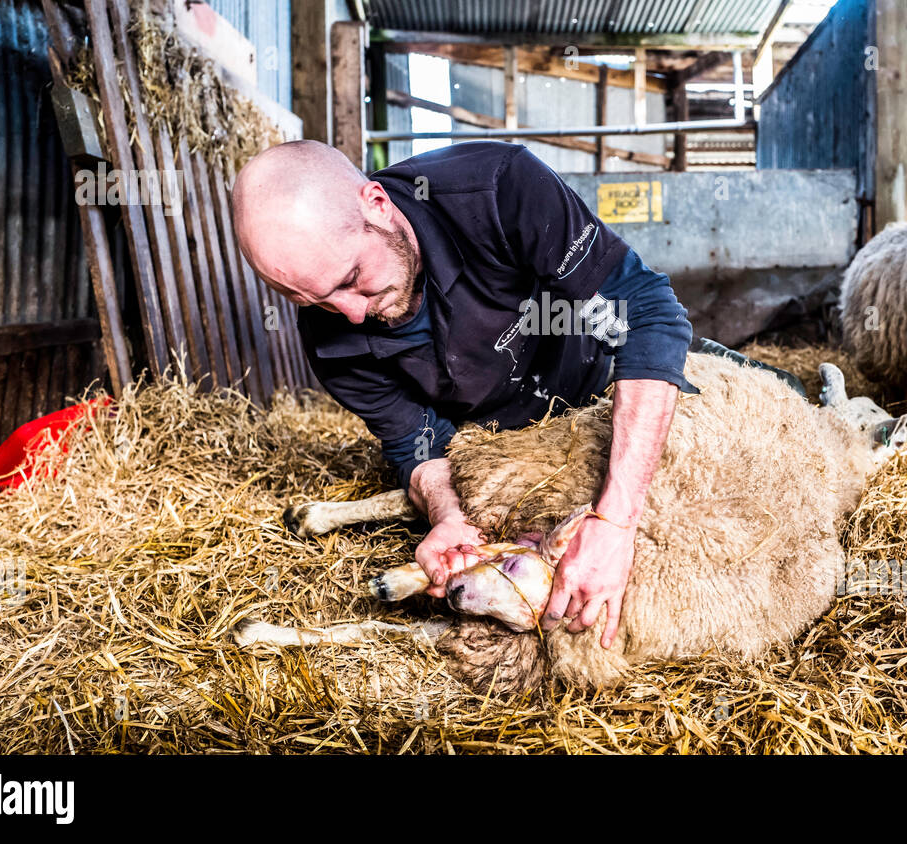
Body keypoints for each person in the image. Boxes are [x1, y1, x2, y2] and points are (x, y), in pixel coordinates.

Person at [231, 140, 699, 648]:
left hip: (602, 391)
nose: (353, 314)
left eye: (353, 279)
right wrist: (450, 514)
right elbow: (417, 440)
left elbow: (648, 311)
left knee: (764, 403)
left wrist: (615, 520)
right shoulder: (332, 342)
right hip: (497, 458)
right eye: (318, 301)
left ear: (377, 204)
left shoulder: (497, 188)